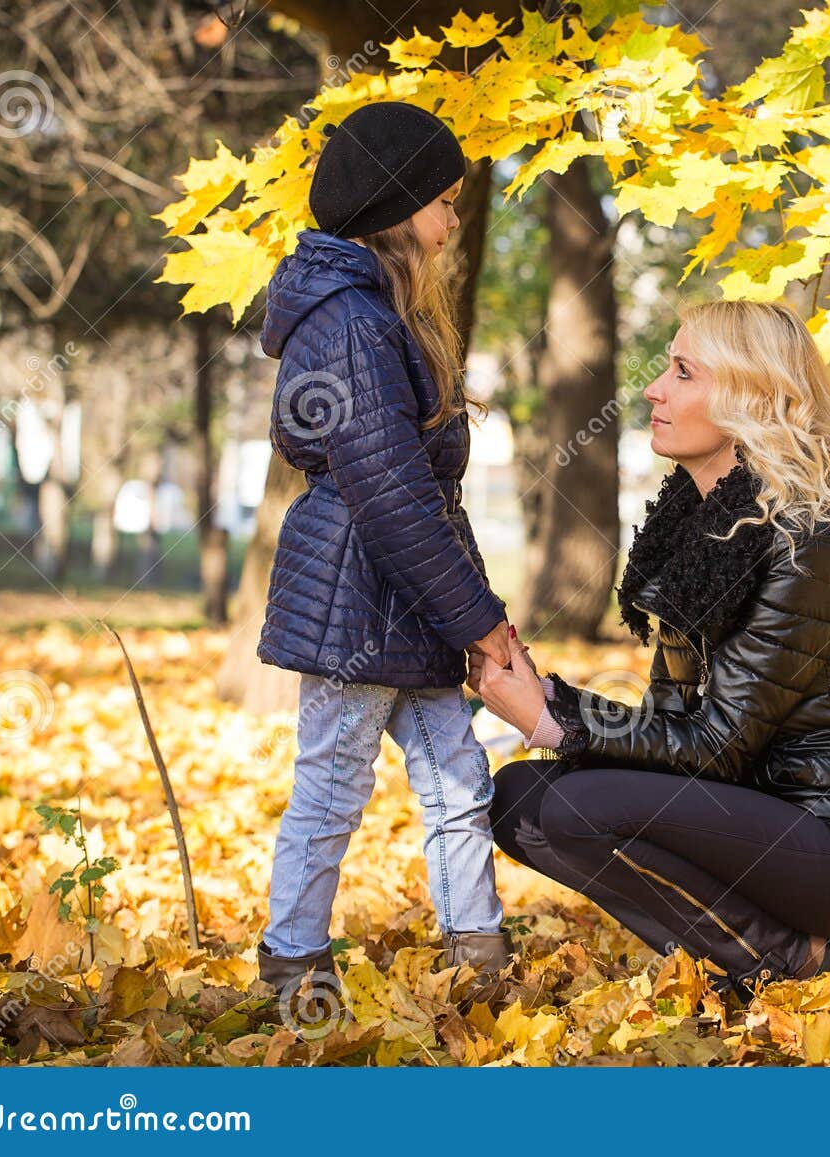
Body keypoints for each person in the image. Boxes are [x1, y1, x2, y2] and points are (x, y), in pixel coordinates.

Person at [474, 299, 830, 998]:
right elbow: (672, 729)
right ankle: (763, 950)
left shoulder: (808, 543)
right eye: (667, 368)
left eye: (683, 372)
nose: (654, 389)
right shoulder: (700, 531)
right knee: (521, 798)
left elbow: (715, 746)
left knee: (574, 808)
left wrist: (552, 716)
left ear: (750, 398)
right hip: (760, 812)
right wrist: (548, 705)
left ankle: (785, 957)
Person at [253, 101, 514, 1003]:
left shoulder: (376, 314)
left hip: (411, 592)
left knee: (457, 776)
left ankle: (475, 954)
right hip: (358, 596)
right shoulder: (352, 327)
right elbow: (394, 499)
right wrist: (480, 621)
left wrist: (468, 614)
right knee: (333, 783)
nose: (451, 221)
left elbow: (414, 499)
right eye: (442, 202)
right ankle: (292, 959)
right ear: (395, 209)